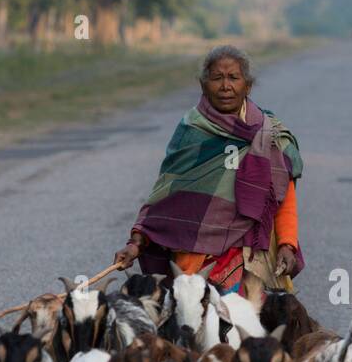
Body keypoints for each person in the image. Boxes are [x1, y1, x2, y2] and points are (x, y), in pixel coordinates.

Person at [114, 45, 303, 300]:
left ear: (248, 86)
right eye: (217, 78)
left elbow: (284, 198)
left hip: (250, 255)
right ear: (203, 85)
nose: (225, 86)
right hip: (195, 257)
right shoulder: (191, 130)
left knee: (253, 330)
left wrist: (287, 244)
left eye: (233, 78)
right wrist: (136, 243)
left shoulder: (271, 136)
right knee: (191, 325)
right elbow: (163, 196)